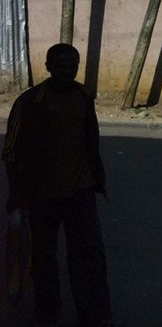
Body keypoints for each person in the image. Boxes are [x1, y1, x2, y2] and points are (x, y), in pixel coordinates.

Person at [3, 43, 112, 325]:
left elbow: (91, 140)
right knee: (43, 256)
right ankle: (48, 309)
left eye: (71, 67)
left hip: (80, 191)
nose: (66, 72)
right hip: (42, 195)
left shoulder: (83, 96)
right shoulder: (30, 102)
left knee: (88, 256)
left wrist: (97, 177)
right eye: (60, 67)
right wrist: (16, 193)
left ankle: (94, 315)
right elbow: (10, 150)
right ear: (48, 68)